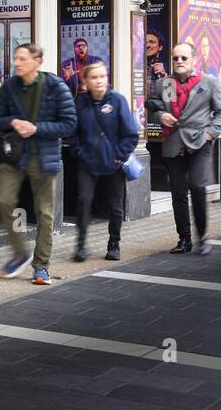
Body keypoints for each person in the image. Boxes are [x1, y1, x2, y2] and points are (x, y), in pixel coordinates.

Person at [0, 43, 77, 285]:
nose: (17, 63)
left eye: (22, 59)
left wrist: (37, 128)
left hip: (44, 156)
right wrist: (14, 122)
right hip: (15, 156)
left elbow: (69, 124)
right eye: (16, 58)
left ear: (37, 61)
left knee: (45, 214)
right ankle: (20, 254)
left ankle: (41, 267)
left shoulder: (55, 87)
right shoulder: (10, 86)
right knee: (3, 201)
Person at [146, 42, 221, 254]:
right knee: (178, 192)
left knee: (197, 187)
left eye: (183, 58)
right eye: (175, 58)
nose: (179, 61)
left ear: (193, 60)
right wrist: (161, 116)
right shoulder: (163, 84)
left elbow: (220, 113)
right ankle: (185, 239)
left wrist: (210, 133)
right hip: (173, 144)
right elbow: (152, 108)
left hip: (200, 142)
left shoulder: (209, 83)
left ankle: (203, 235)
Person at [70, 62, 138, 262]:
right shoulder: (80, 103)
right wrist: (78, 151)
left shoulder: (117, 100)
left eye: (102, 76)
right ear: (85, 81)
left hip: (113, 163)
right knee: (84, 200)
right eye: (94, 77)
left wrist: (120, 155)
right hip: (87, 162)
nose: (99, 80)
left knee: (115, 206)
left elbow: (131, 134)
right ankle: (81, 245)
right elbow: (72, 132)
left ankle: (114, 243)